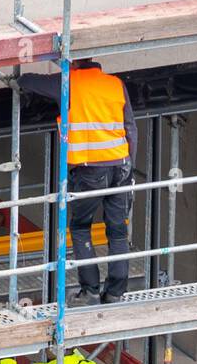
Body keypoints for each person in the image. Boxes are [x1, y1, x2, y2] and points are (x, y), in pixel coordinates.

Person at [20, 59, 135, 304]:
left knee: (81, 226)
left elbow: (31, 82)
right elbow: (130, 127)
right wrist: (129, 165)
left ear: (74, 67)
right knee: (117, 231)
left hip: (91, 170)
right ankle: (115, 292)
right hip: (121, 167)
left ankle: (91, 290)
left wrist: (16, 77)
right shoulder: (115, 84)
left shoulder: (70, 82)